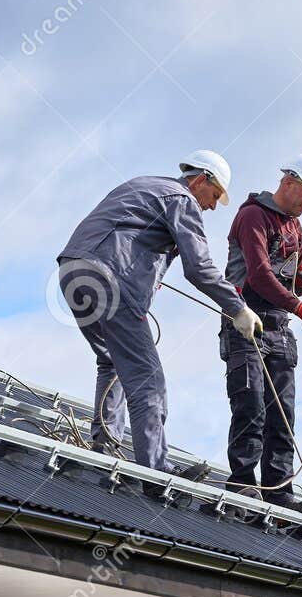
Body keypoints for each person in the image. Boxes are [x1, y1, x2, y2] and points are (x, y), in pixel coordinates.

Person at [57, 151, 262, 474]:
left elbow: (128, 235)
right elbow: (199, 268)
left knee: (113, 360)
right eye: (214, 195)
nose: (211, 205)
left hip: (72, 272)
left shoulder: (145, 184)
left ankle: (105, 443)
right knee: (147, 380)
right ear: (200, 180)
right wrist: (238, 309)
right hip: (111, 279)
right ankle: (156, 471)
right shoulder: (183, 200)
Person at [220, 154, 302, 510]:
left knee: (283, 411)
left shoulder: (295, 228)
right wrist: (301, 307)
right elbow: (258, 276)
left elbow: (287, 282)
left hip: (279, 325)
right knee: (250, 402)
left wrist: (300, 284)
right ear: (288, 183)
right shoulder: (253, 215)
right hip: (245, 319)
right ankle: (241, 482)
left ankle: (279, 489)